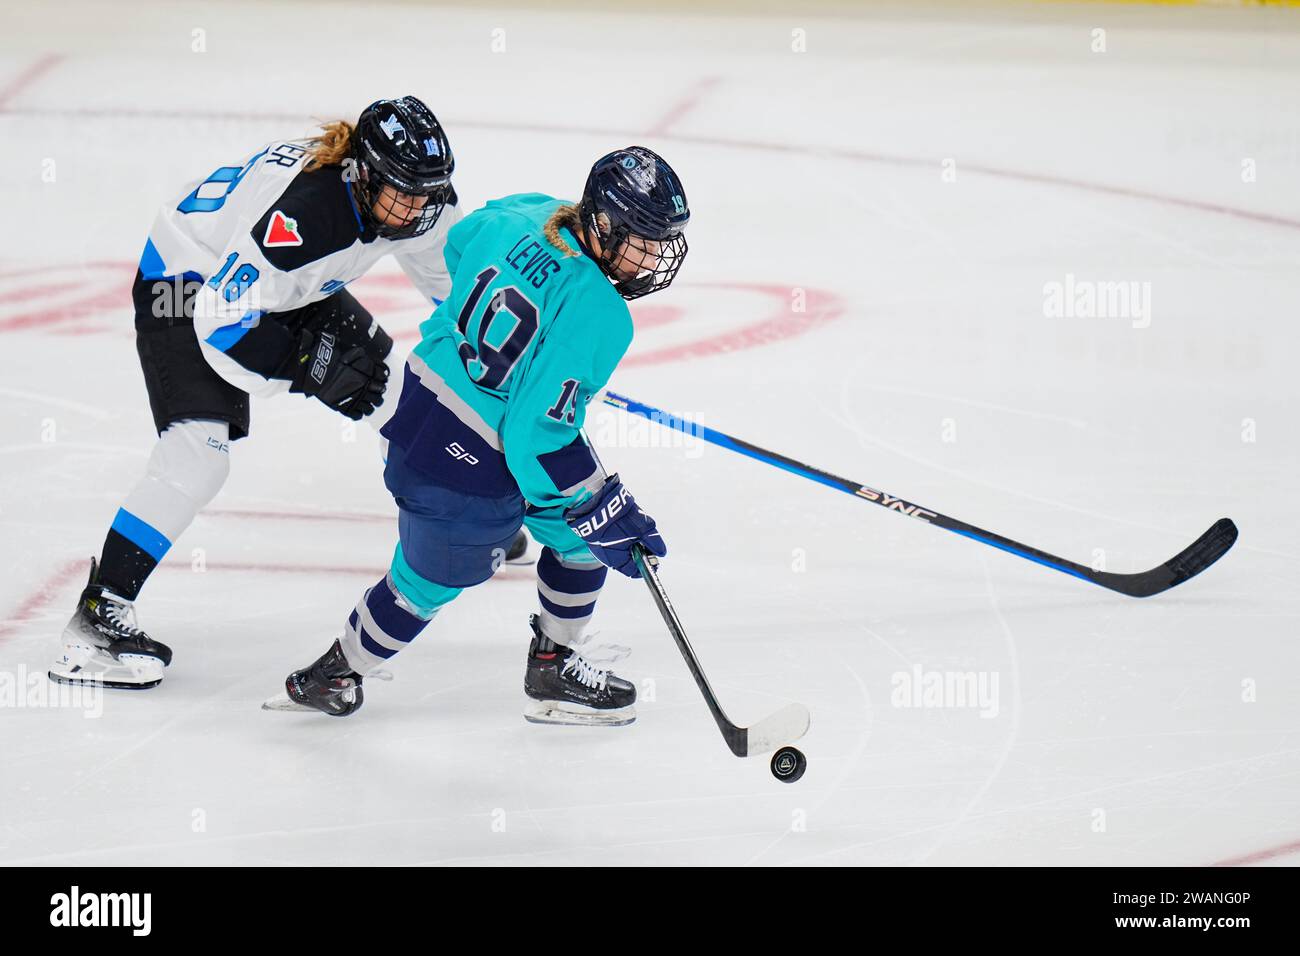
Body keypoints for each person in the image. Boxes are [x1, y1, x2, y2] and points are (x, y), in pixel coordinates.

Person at [51, 96, 465, 690]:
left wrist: (494, 349)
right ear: (364, 172)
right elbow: (220, 320)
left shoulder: (415, 198)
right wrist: (303, 367)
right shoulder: (310, 216)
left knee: (393, 392)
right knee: (197, 460)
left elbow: (448, 284)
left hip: (275, 285)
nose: (418, 209)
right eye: (405, 192)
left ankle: (445, 518)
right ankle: (97, 617)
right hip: (187, 283)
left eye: (429, 193)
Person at [270, 146, 690, 727]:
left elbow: (458, 244)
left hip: (413, 411)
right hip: (469, 466)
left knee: (575, 540)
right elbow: (535, 437)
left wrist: (517, 352)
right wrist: (599, 501)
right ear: (602, 222)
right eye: (642, 239)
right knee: (424, 584)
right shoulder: (603, 314)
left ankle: (553, 666)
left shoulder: (528, 211)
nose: (651, 260)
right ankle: (335, 674)